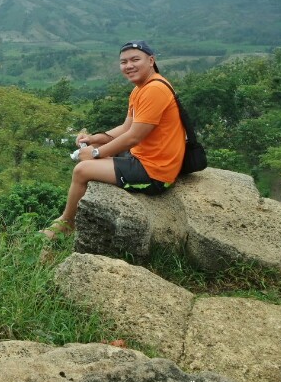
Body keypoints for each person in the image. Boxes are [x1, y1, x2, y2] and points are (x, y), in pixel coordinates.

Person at [41, 40, 185, 240]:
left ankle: (67, 223)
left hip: (155, 171)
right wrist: (94, 139)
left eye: (135, 60)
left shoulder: (154, 90)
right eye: (124, 62)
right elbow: (126, 127)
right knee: (98, 145)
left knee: (82, 170)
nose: (129, 66)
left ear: (151, 60)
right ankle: (69, 217)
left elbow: (133, 136)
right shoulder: (140, 89)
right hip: (143, 157)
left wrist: (95, 153)